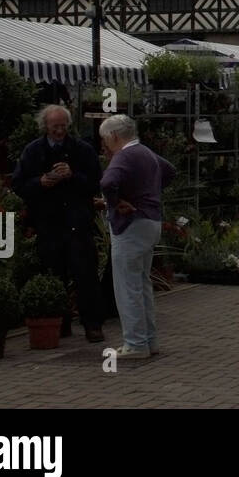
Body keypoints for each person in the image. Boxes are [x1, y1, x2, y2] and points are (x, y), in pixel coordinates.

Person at [13, 105, 105, 343]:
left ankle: (92, 325)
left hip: (77, 223)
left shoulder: (82, 150)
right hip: (48, 223)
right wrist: (41, 182)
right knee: (53, 274)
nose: (60, 131)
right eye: (55, 126)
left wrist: (72, 176)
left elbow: (95, 182)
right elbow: (19, 184)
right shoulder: (33, 151)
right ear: (46, 126)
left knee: (85, 275)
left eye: (63, 126)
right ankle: (60, 324)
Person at [98, 114, 175, 359]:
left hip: (131, 224)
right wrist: (149, 192)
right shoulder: (145, 152)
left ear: (113, 136)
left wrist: (115, 202)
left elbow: (108, 182)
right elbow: (170, 171)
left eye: (105, 139)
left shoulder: (124, 155)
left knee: (127, 285)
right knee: (142, 284)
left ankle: (135, 343)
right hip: (151, 220)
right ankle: (148, 340)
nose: (105, 145)